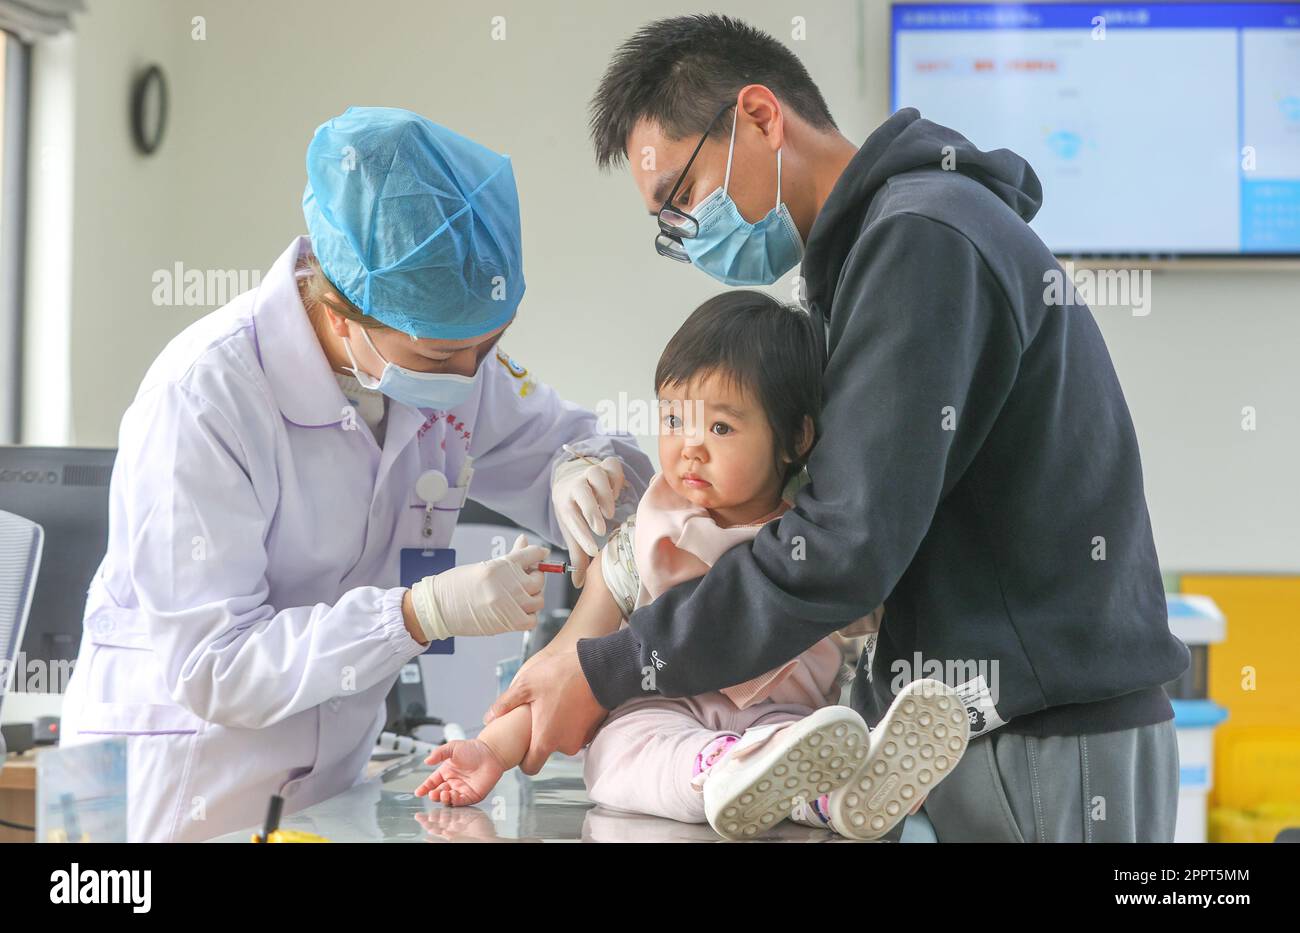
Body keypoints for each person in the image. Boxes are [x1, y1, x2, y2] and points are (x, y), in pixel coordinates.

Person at [488, 16, 1188, 842]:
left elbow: (844, 543)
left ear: (760, 116)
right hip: (985, 726)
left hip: (1037, 737)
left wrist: (609, 668)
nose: (686, 234)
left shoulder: (922, 239)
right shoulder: (862, 265)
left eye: (683, 196)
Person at [57, 107, 651, 842]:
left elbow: (591, 458)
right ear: (341, 308)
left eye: (488, 345)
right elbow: (214, 666)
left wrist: (584, 464)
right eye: (439, 358)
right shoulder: (204, 397)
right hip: (178, 791)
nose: (471, 378)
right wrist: (417, 614)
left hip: (324, 795)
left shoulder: (451, 360)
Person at [417, 292, 968, 840]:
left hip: (784, 728)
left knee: (816, 741)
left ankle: (836, 792)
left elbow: (880, 622)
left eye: (721, 429)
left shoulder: (824, 547)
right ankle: (733, 771)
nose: (689, 448)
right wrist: (490, 749)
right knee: (616, 752)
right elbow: (567, 667)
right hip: (661, 720)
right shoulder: (639, 544)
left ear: (795, 438)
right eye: (676, 419)